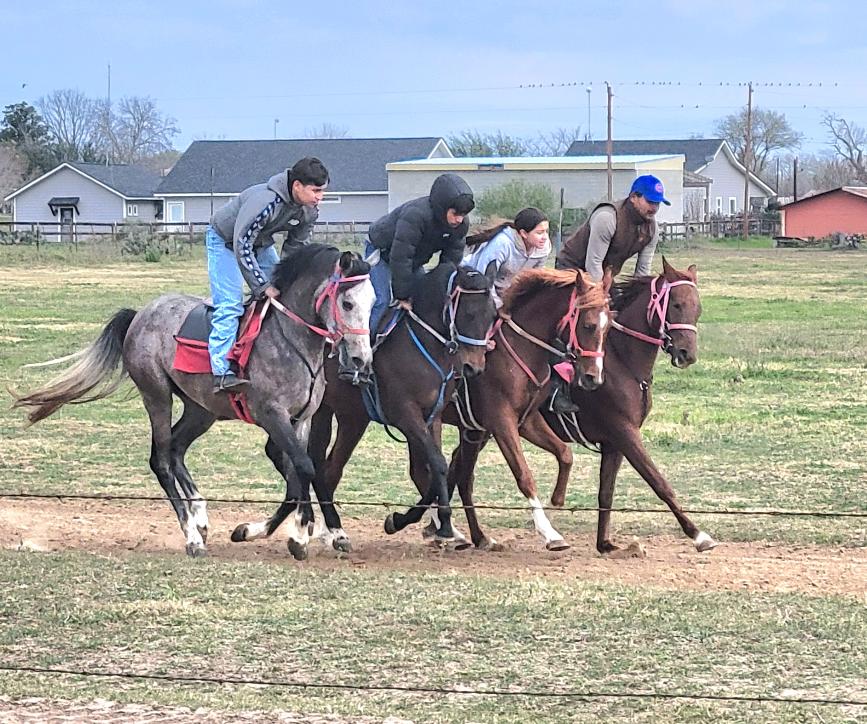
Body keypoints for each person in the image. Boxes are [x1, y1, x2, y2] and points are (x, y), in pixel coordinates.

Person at [206, 156, 328, 392]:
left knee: (285, 295)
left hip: (260, 245)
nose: (319, 197)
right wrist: (262, 286)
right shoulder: (265, 201)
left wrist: (285, 281)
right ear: (297, 186)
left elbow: (295, 249)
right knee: (230, 305)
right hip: (225, 242)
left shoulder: (309, 211)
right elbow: (242, 245)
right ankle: (220, 372)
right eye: (315, 191)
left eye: (322, 191)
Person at [365, 173, 475, 333]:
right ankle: (363, 348)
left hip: (414, 259)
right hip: (381, 252)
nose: (459, 219)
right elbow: (401, 256)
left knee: (422, 299)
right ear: (442, 206)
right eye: (455, 213)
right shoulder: (415, 215)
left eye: (463, 214)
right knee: (382, 300)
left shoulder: (460, 226)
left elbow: (449, 263)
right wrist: (402, 296)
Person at [555, 174, 670, 280]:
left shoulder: (652, 230)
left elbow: (642, 272)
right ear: (633, 197)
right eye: (650, 201)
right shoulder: (607, 218)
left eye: (657, 203)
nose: (654, 208)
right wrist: (600, 294)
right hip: (570, 269)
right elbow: (593, 263)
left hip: (603, 275)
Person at [462, 207, 552, 308]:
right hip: (473, 282)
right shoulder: (502, 244)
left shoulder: (544, 247)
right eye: (539, 233)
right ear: (523, 233)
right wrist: (499, 306)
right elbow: (484, 280)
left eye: (546, 231)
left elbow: (534, 281)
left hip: (504, 290)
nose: (545, 237)